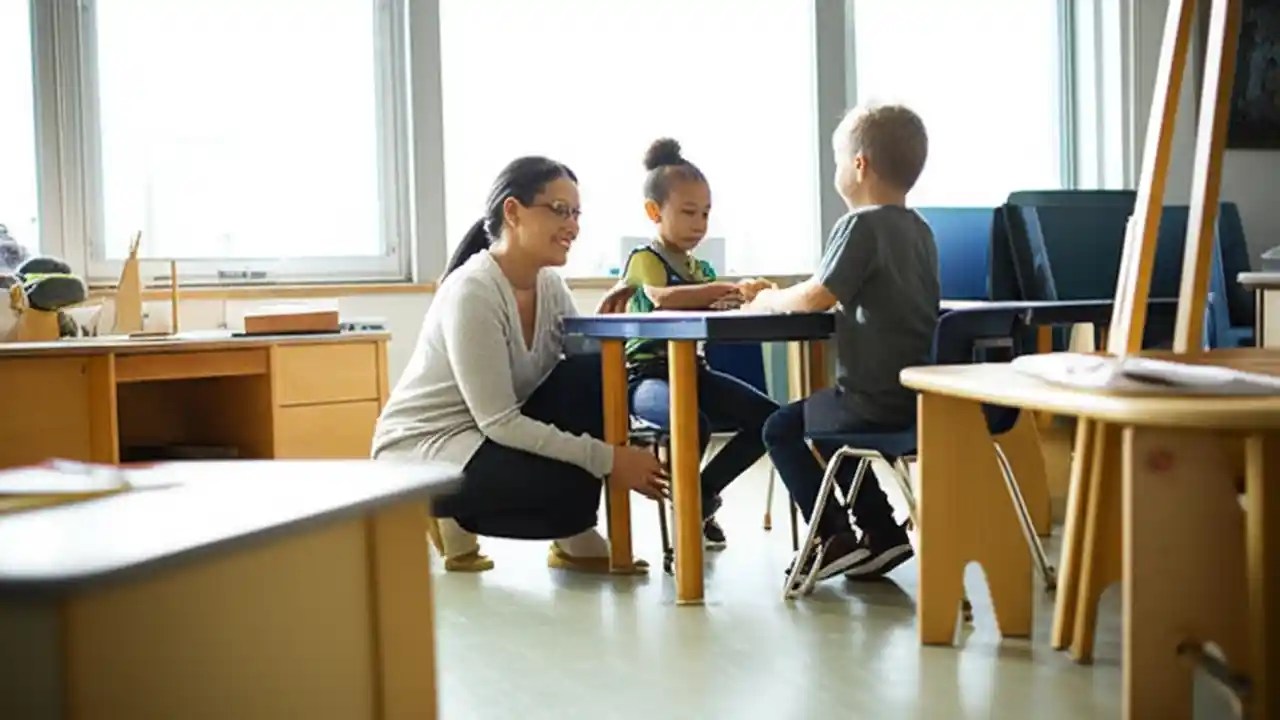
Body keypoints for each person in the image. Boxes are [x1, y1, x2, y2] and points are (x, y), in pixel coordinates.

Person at [372, 156, 668, 573]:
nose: (572, 226)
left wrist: (602, 333)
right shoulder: (474, 290)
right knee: (568, 482)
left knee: (594, 374)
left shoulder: (550, 285)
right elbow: (500, 422)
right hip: (424, 453)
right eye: (560, 210)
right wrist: (612, 460)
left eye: (576, 214)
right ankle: (449, 512)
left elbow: (585, 378)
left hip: (484, 439)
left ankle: (572, 536)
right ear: (512, 211)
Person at [744, 103, 937, 583]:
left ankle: (832, 535)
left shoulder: (861, 225)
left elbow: (815, 296)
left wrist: (768, 298)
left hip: (871, 400)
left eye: (836, 161)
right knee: (829, 423)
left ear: (859, 165)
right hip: (916, 401)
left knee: (781, 428)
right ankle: (882, 533)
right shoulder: (920, 230)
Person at [621, 138, 780, 548]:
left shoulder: (702, 268)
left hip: (695, 372)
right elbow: (661, 297)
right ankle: (690, 507)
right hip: (646, 377)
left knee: (770, 420)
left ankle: (700, 495)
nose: (699, 223)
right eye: (688, 212)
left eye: (706, 213)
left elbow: (713, 306)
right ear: (654, 212)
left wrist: (739, 298)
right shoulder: (645, 259)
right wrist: (723, 289)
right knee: (692, 422)